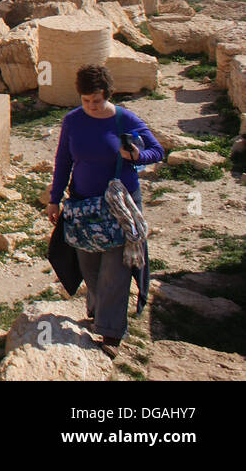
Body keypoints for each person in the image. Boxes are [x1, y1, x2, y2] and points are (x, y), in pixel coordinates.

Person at [46, 64, 164, 356]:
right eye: (86, 101)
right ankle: (98, 314)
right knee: (90, 265)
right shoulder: (73, 121)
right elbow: (63, 162)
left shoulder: (125, 120)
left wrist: (137, 155)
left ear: (107, 94)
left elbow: (157, 151)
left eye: (96, 100)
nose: (91, 106)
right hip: (83, 205)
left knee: (116, 269)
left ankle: (111, 333)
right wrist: (54, 198)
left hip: (119, 207)